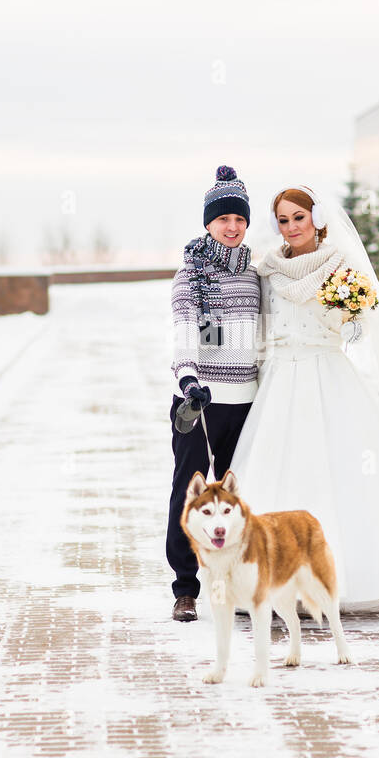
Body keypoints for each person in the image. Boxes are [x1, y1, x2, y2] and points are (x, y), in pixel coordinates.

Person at [227, 185, 379, 611]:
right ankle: (270, 577)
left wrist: (352, 323)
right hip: (280, 381)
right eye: (283, 220)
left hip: (328, 376)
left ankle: (347, 578)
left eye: (299, 218)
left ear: (317, 218)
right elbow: (255, 327)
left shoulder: (341, 267)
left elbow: (364, 324)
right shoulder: (266, 270)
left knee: (345, 472)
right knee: (275, 468)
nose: (291, 227)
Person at [165, 165, 261, 622]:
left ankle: (232, 582)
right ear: (208, 223)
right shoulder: (190, 276)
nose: (232, 226)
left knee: (234, 502)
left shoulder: (254, 275)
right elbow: (186, 331)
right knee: (192, 497)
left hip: (246, 402)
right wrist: (189, 380)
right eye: (223, 219)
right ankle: (185, 589)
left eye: (239, 219)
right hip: (200, 402)